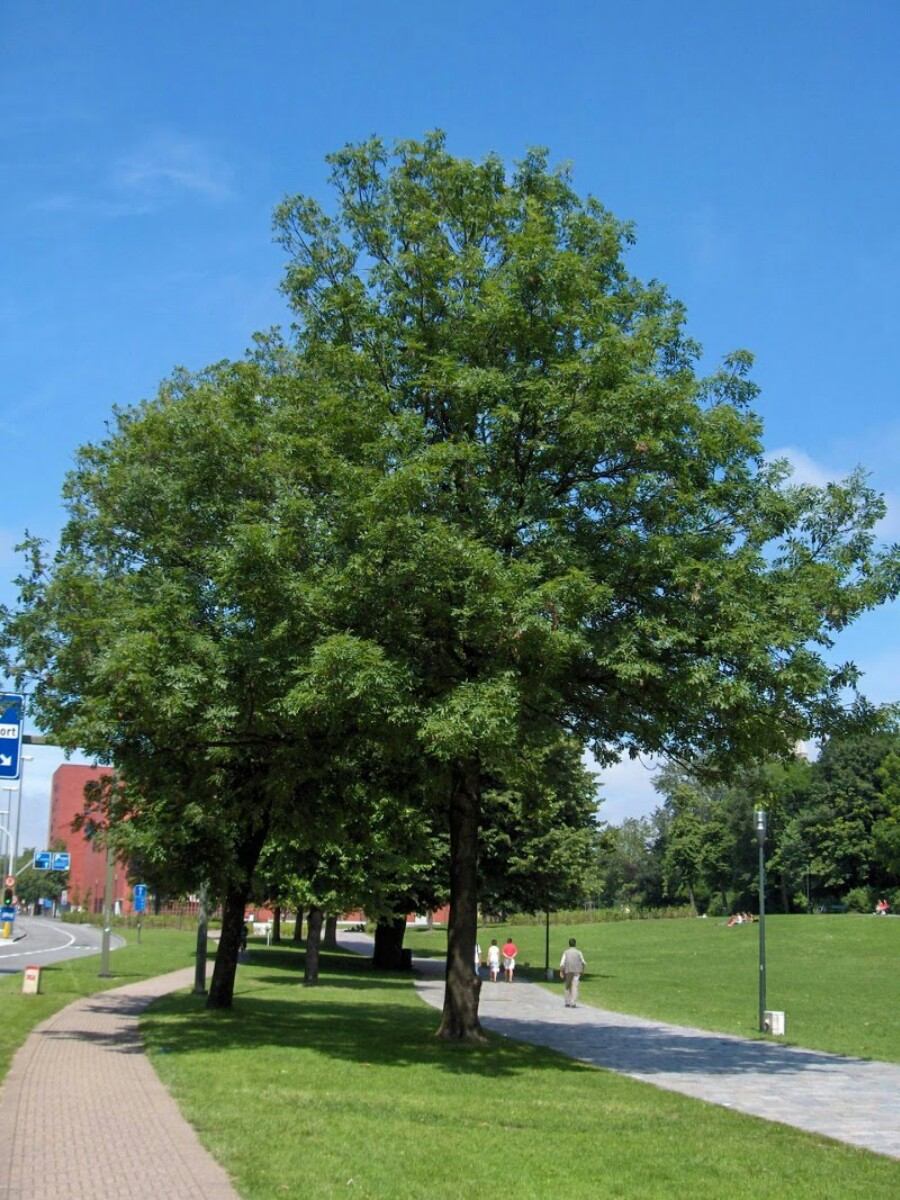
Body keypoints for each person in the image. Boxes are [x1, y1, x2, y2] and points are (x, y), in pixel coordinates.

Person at [559, 938, 587, 1008]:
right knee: (575, 986)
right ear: (575, 944)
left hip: (568, 970)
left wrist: (561, 972)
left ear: (569, 944)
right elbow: (583, 962)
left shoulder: (566, 952)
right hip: (577, 971)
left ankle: (567, 1002)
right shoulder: (579, 952)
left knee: (567, 986)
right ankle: (573, 1002)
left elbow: (562, 963)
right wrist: (583, 971)